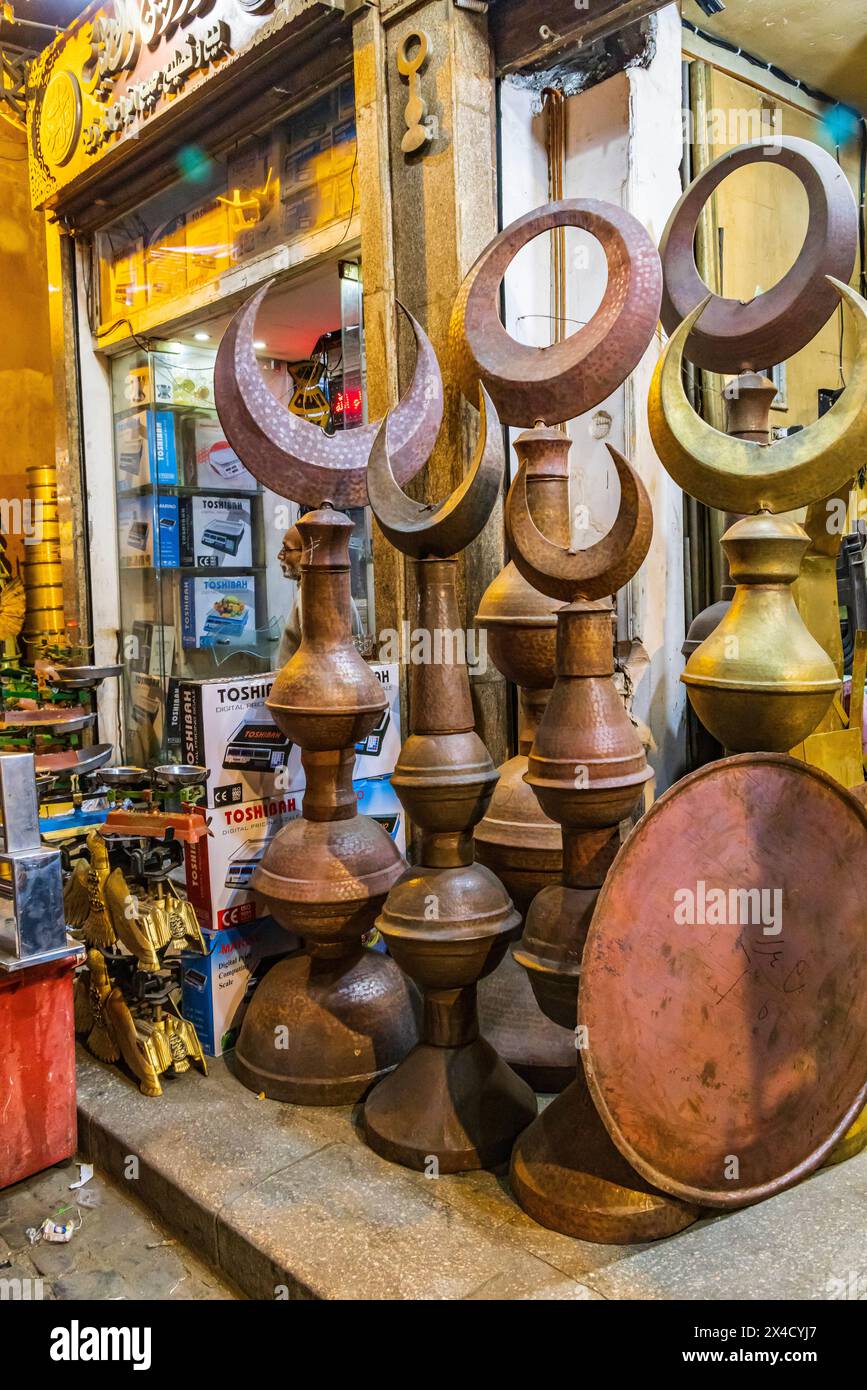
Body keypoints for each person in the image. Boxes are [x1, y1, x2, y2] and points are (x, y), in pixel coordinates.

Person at [275, 522, 364, 666]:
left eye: (287, 549)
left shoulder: (314, 594)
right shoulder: (321, 590)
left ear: (307, 553)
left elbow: (322, 661)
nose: (280, 555)